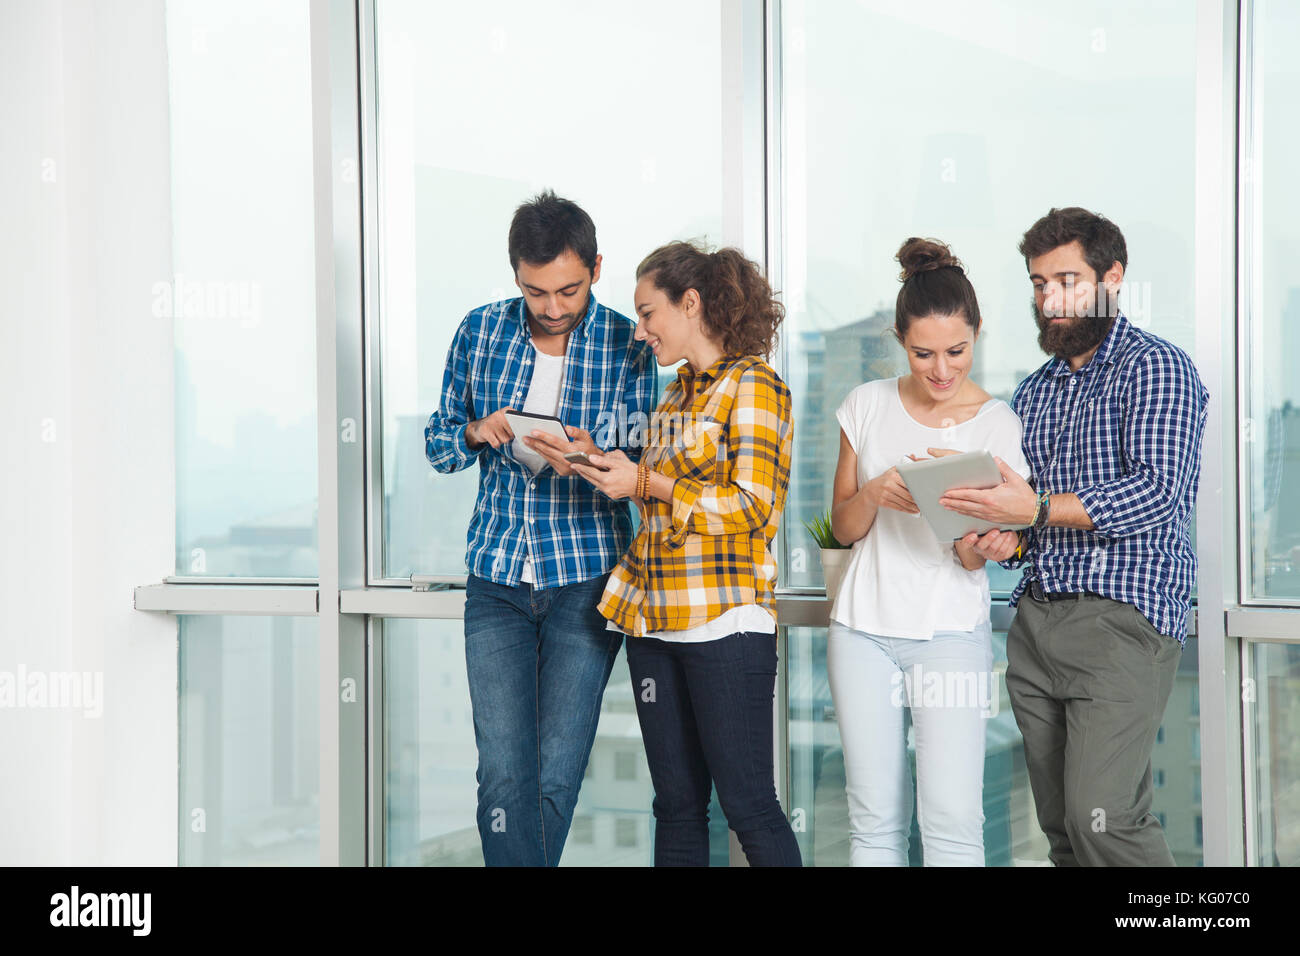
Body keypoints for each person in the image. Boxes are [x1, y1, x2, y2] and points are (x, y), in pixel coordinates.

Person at [944, 207, 1209, 866]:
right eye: (1038, 283)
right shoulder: (1034, 392)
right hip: (1035, 623)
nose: (1048, 299)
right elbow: (1033, 515)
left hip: (1122, 622)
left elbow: (1156, 494)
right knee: (1063, 829)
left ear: (1111, 277)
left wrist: (1030, 511)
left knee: (1105, 820)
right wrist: (1006, 537)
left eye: (1065, 279)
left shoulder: (1156, 368)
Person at [423, 190, 657, 866]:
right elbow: (440, 447)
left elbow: (644, 462)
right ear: (514, 274)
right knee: (502, 774)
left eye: (568, 289)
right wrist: (477, 429)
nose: (553, 307)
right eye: (536, 291)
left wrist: (590, 456)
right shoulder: (480, 330)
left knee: (556, 774)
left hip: (585, 579)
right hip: (495, 578)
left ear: (595, 268)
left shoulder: (627, 343)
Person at [556, 239, 801, 866]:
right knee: (676, 806)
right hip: (655, 619)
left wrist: (648, 482)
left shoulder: (756, 387)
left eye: (647, 313)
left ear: (690, 303)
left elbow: (754, 508)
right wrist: (604, 462)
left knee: (748, 805)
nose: (640, 333)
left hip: (724, 621)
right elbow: (663, 503)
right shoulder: (676, 395)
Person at [825, 238, 1031, 866]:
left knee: (951, 823)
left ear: (977, 337)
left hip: (949, 634)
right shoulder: (866, 405)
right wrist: (878, 491)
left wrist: (985, 542)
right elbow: (840, 528)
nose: (942, 371)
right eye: (923, 354)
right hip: (861, 631)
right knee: (874, 822)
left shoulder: (997, 424)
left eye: (957, 352)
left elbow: (983, 555)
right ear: (899, 340)